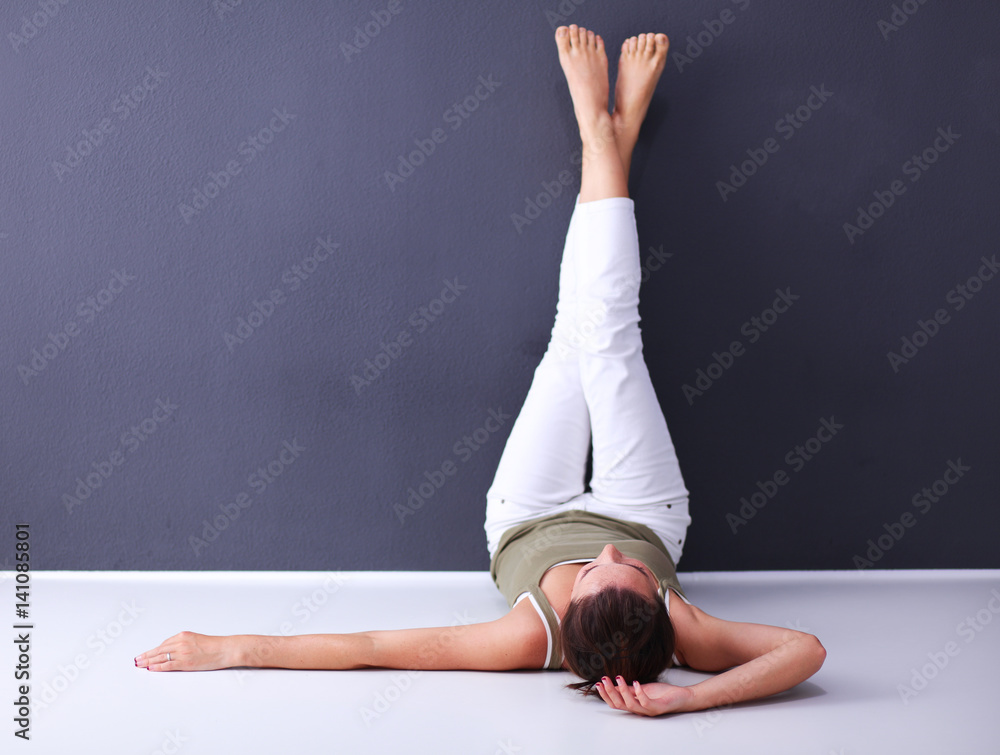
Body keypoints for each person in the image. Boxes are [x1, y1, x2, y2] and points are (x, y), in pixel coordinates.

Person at [135, 25, 826, 717]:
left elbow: (373, 643)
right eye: (636, 574)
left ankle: (605, 134)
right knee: (609, 340)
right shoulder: (684, 630)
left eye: (593, 572)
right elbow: (806, 649)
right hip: (647, 511)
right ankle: (606, 132)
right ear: (663, 613)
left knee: (570, 338)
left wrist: (229, 647)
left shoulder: (528, 636)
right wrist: (691, 699)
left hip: (525, 520)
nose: (610, 551)